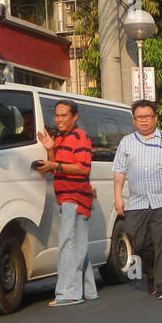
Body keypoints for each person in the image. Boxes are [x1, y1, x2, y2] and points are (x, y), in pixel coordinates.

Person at [112, 99, 162, 300]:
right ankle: (151, 274)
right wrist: (117, 197)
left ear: (155, 118)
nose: (144, 121)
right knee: (138, 242)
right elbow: (119, 173)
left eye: (148, 117)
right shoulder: (126, 143)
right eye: (139, 118)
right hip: (137, 202)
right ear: (133, 120)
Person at [35, 100, 96, 307]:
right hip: (67, 198)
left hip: (75, 197)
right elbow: (56, 167)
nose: (59, 119)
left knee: (68, 245)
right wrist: (51, 151)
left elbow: (83, 168)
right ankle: (88, 290)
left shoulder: (80, 138)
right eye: (57, 115)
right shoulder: (60, 139)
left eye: (64, 115)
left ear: (74, 117)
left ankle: (69, 293)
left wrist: (55, 164)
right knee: (77, 244)